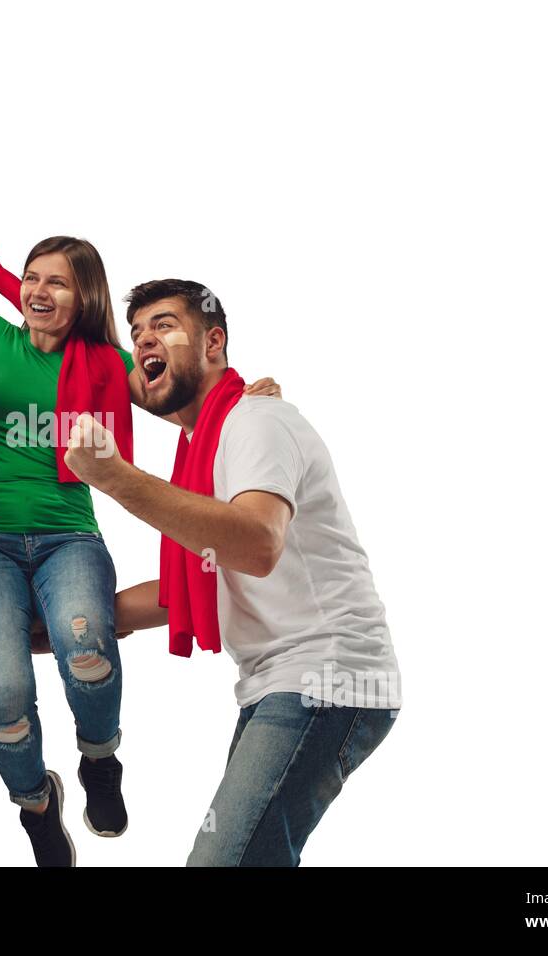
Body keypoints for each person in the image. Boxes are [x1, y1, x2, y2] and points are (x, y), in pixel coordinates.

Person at [0, 160, 279, 866]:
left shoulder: (106, 362)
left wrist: (243, 391)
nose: (39, 290)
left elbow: (180, 397)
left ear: (83, 298)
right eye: (31, 277)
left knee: (87, 652)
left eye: (58, 282)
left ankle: (100, 759)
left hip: (68, 536)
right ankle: (37, 807)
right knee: (3, 695)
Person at [62, 278, 404, 867]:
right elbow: (187, 593)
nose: (146, 340)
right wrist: (60, 627)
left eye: (165, 325)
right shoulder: (205, 443)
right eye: (138, 332)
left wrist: (115, 477)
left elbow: (255, 543)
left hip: (327, 675)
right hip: (282, 682)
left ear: (213, 342)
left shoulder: (255, 422)